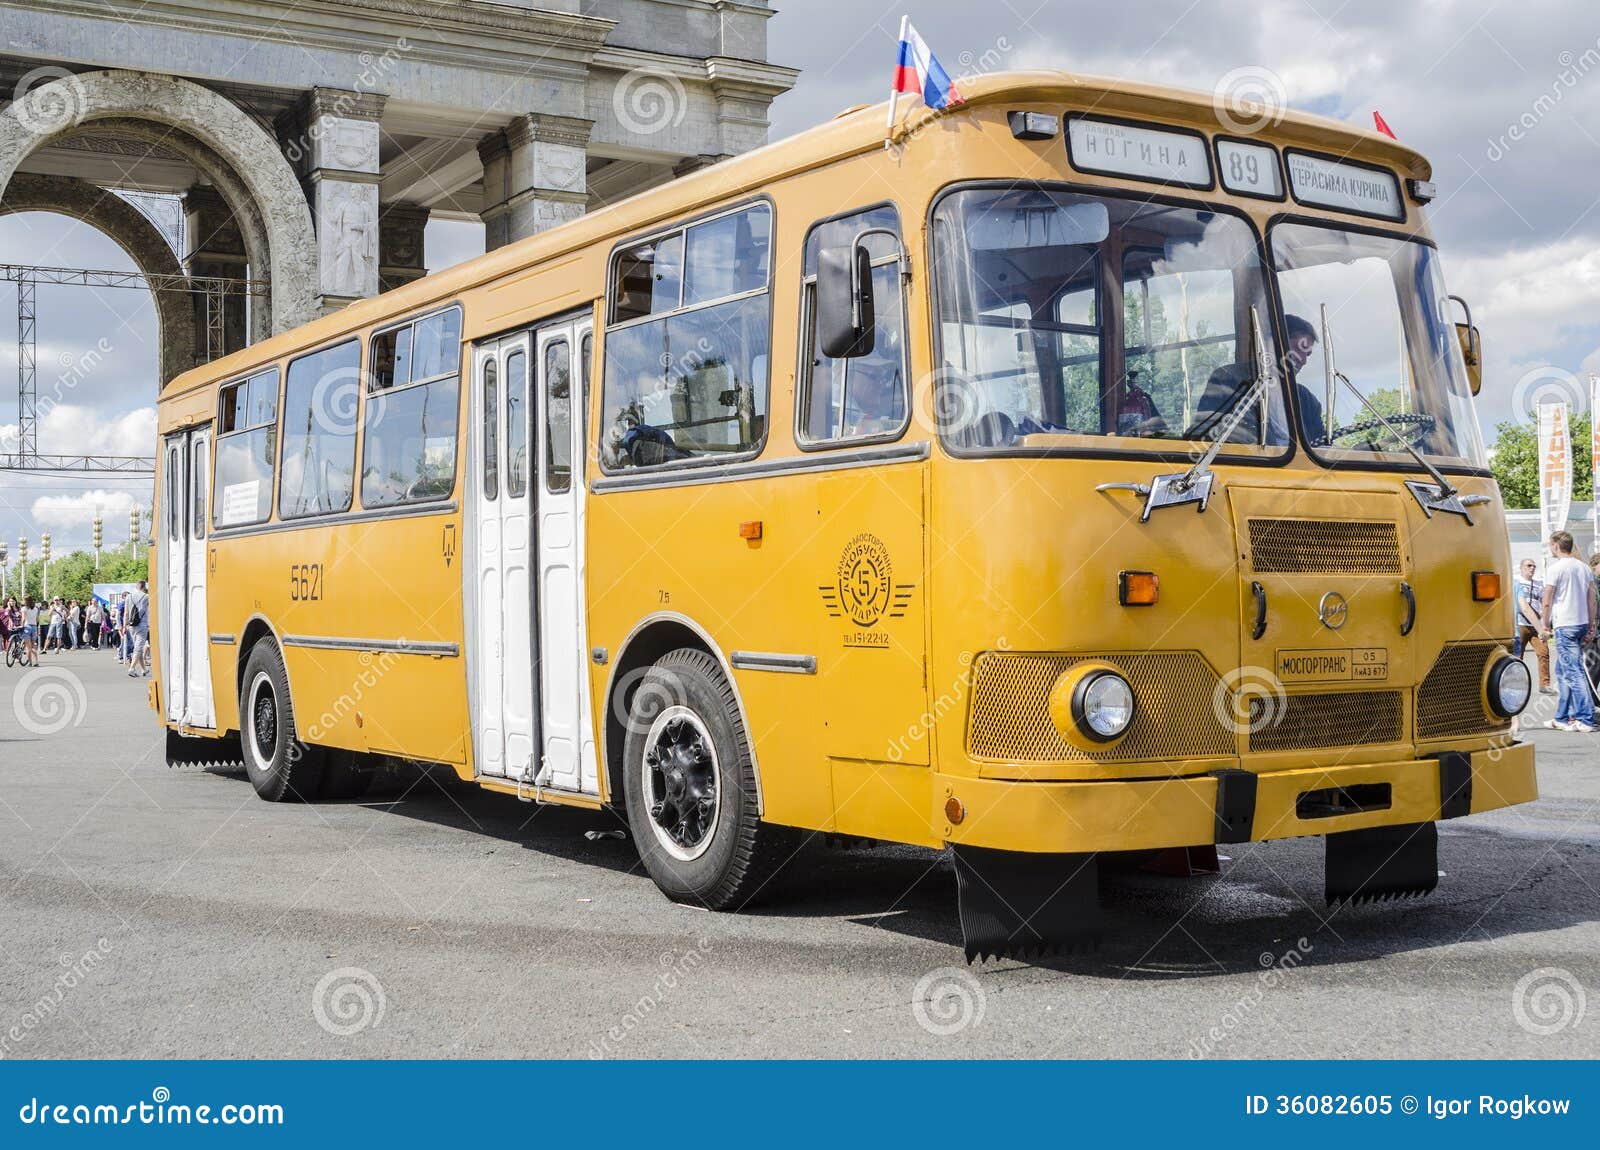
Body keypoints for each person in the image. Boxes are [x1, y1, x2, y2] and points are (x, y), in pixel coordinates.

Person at [1539, 530, 1599, 732]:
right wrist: (1591, 625)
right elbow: (1592, 599)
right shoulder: (1583, 568)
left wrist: (1544, 625)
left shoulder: (1555, 569)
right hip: (1581, 622)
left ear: (1556, 546)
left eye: (1550, 545)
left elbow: (1547, 600)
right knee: (1563, 671)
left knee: (1574, 671)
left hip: (1565, 624)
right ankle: (1562, 717)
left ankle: (1585, 718)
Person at [1513, 557, 1554, 694]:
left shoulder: (1538, 584)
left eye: (1534, 566)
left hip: (1536, 624)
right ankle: (1516, 685)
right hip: (1520, 624)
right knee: (1517, 656)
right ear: (1521, 567)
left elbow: (1544, 601)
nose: (1532, 568)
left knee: (1544, 652)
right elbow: (1522, 606)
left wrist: (1544, 613)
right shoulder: (1516, 583)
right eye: (1529, 565)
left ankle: (1545, 684)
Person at [128, 580, 151, 678]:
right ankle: (132, 668)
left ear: (136, 586)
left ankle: (144, 669)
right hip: (142, 624)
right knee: (138, 647)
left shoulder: (129, 596)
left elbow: (125, 612)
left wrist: (125, 624)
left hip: (131, 625)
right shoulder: (146, 597)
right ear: (144, 586)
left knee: (139, 647)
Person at [21, 595, 41, 665]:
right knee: (33, 646)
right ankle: (36, 661)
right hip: (34, 627)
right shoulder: (36, 608)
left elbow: (23, 619)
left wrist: (21, 626)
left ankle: (30, 662)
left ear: (26, 601)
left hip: (27, 627)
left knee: (28, 647)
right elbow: (37, 619)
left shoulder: (24, 608)